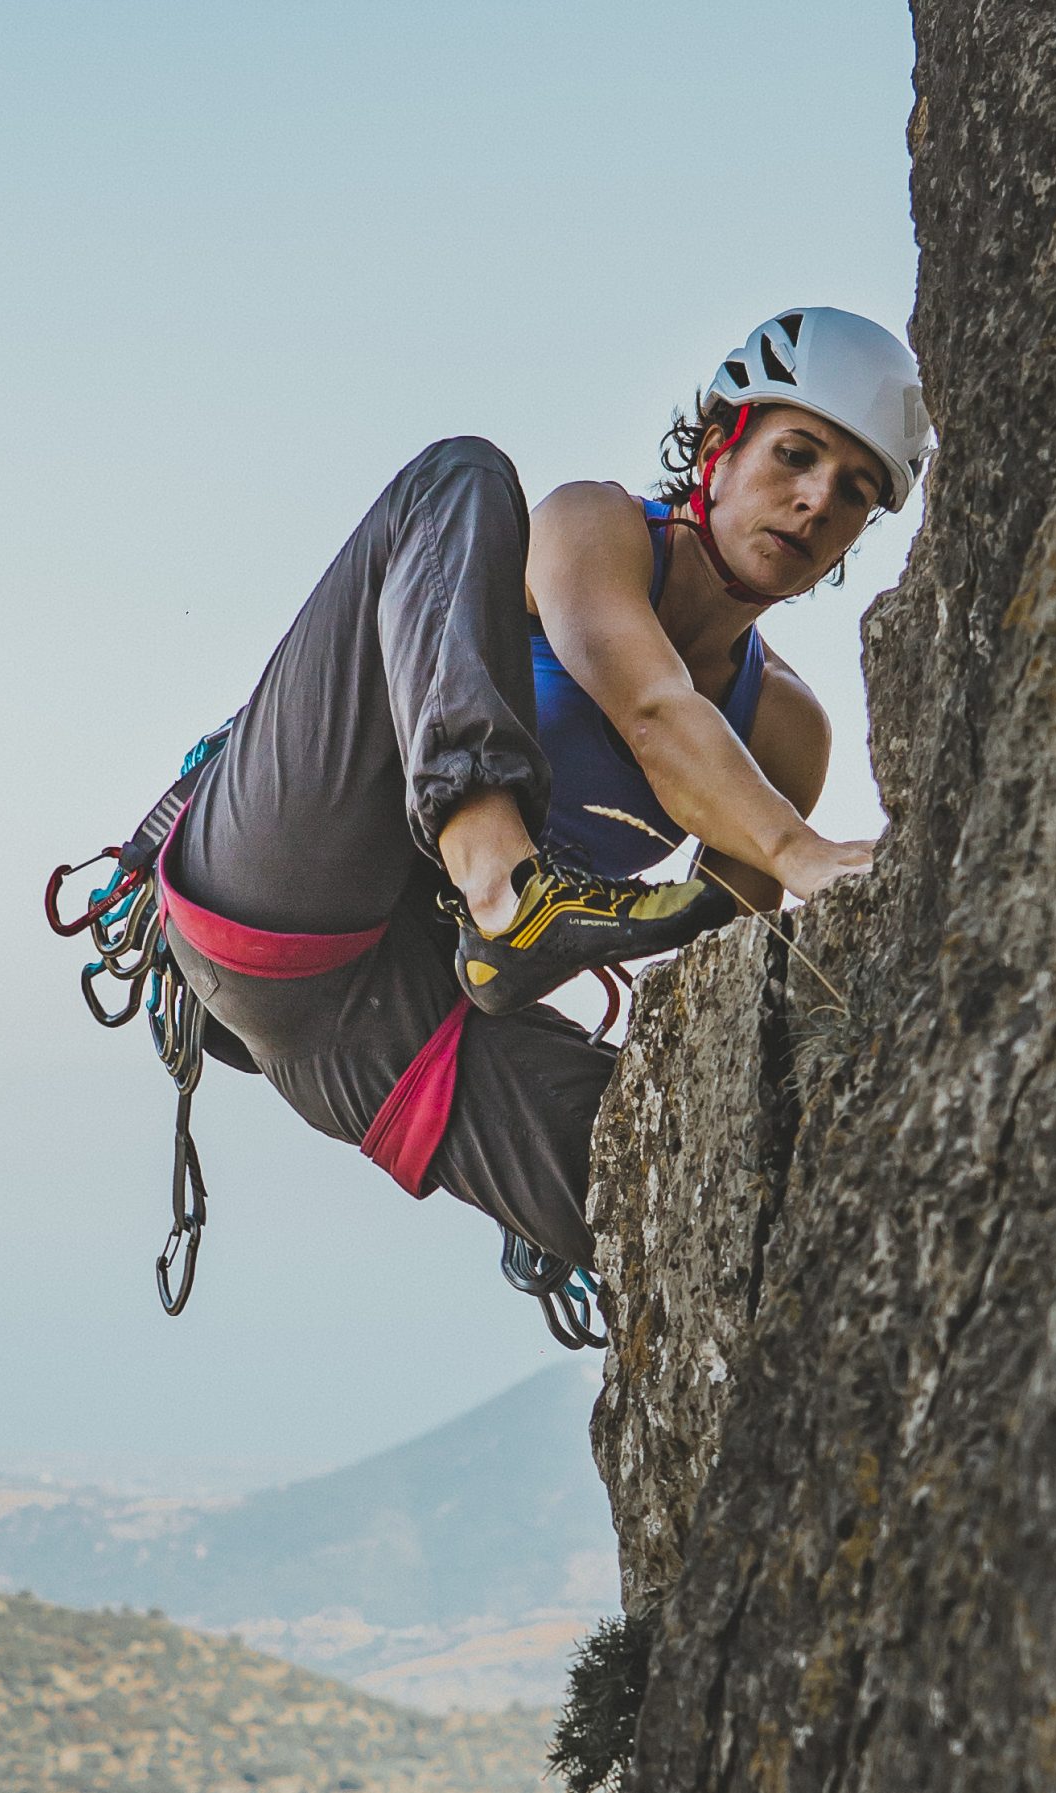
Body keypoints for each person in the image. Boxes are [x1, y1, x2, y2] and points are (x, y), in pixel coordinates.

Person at [153, 307, 931, 1284]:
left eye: (856, 491)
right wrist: (799, 850)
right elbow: (649, 707)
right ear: (720, 448)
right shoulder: (590, 530)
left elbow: (727, 969)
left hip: (381, 1028)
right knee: (460, 477)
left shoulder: (781, 731)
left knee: (705, 1208)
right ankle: (499, 885)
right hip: (274, 885)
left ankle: (504, 928)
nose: (817, 499)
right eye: (795, 454)